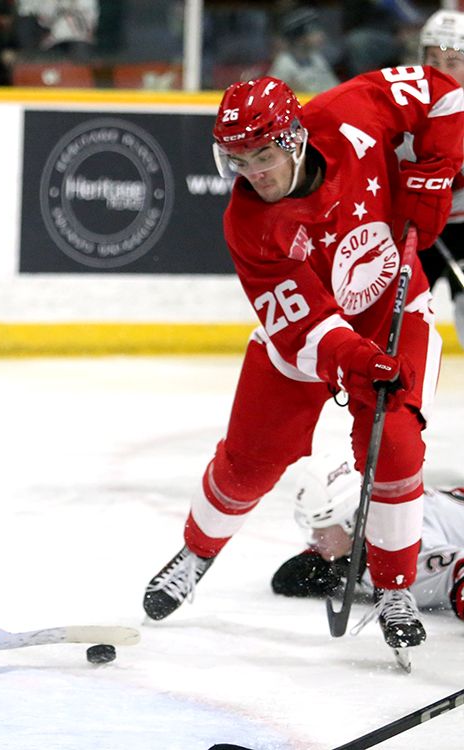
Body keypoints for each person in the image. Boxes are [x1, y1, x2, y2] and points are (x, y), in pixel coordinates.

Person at [141, 70, 464, 655]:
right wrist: (358, 359)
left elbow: (446, 91)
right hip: (317, 341)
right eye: (236, 159)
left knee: (394, 443)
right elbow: (305, 330)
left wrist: (437, 168)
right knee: (249, 460)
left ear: (293, 137)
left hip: (393, 305)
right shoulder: (249, 224)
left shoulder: (352, 113)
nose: (252, 173)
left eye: (262, 154)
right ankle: (197, 554)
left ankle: (394, 589)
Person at [271, 452, 464, 626]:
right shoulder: (379, 529)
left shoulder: (405, 548)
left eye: (322, 531)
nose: (314, 538)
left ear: (353, 521)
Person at [415, 9, 464, 349]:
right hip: (418, 230)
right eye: (434, 59)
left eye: (454, 61)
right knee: (405, 315)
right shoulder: (405, 105)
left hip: (462, 226)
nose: (442, 71)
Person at [267, 7, 340, 93]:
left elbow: (334, 88)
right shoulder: (284, 63)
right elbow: (271, 93)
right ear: (299, 39)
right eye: (314, 33)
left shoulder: (316, 57)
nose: (321, 36)